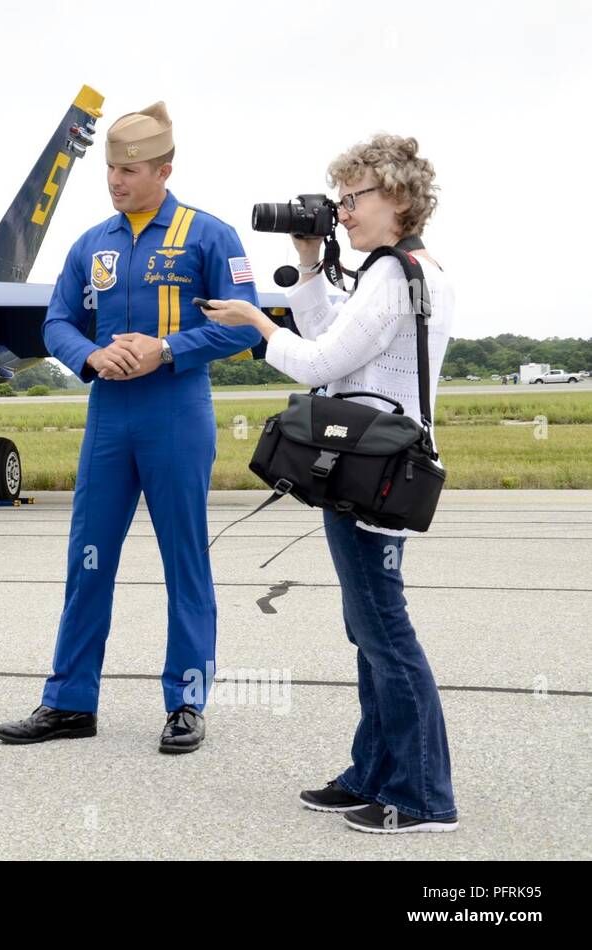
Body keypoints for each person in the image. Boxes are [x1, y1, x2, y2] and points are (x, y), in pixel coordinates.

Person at [202, 134, 459, 833]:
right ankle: (372, 774)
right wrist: (311, 266)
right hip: (364, 469)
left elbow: (318, 363)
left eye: (353, 198)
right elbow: (332, 346)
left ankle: (422, 796)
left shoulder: (398, 272)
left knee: (384, 634)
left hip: (373, 473)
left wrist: (259, 324)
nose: (341, 211)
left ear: (398, 199)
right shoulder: (391, 270)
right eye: (339, 199)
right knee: (369, 631)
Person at [0, 101, 262, 754]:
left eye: (131, 170)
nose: (116, 181)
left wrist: (167, 348)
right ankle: (69, 700)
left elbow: (245, 319)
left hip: (177, 412)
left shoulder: (211, 235)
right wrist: (88, 355)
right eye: (111, 169)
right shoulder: (91, 244)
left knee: (185, 561)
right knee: (88, 558)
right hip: (109, 418)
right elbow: (55, 321)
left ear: (165, 169)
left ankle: (186, 702)